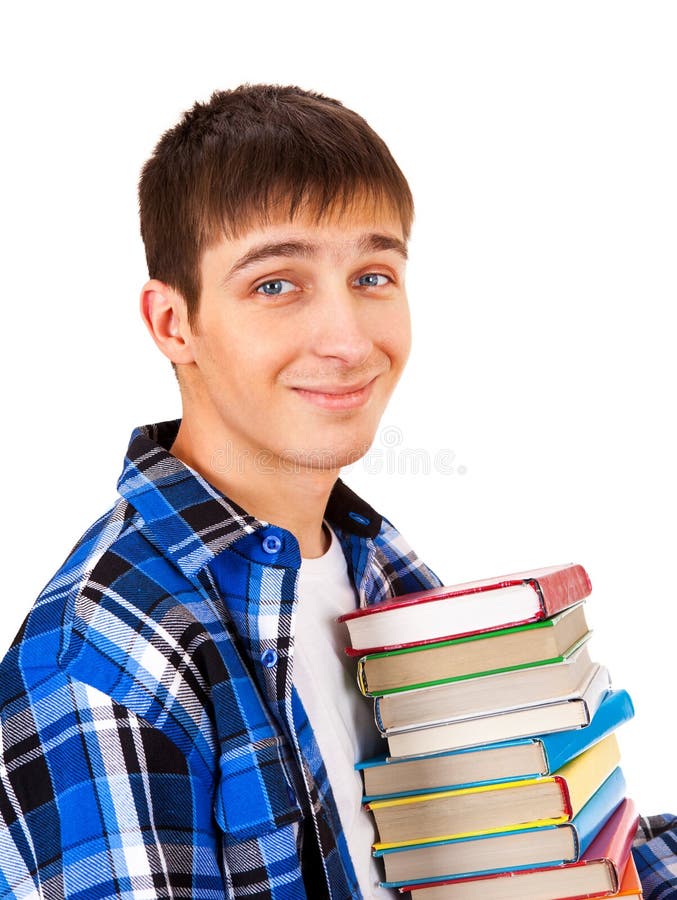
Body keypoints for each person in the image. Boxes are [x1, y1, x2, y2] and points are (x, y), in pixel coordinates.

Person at [0, 85, 443, 899]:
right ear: (174, 324)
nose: (347, 340)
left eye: (374, 275)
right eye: (276, 284)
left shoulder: (380, 566)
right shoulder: (108, 651)